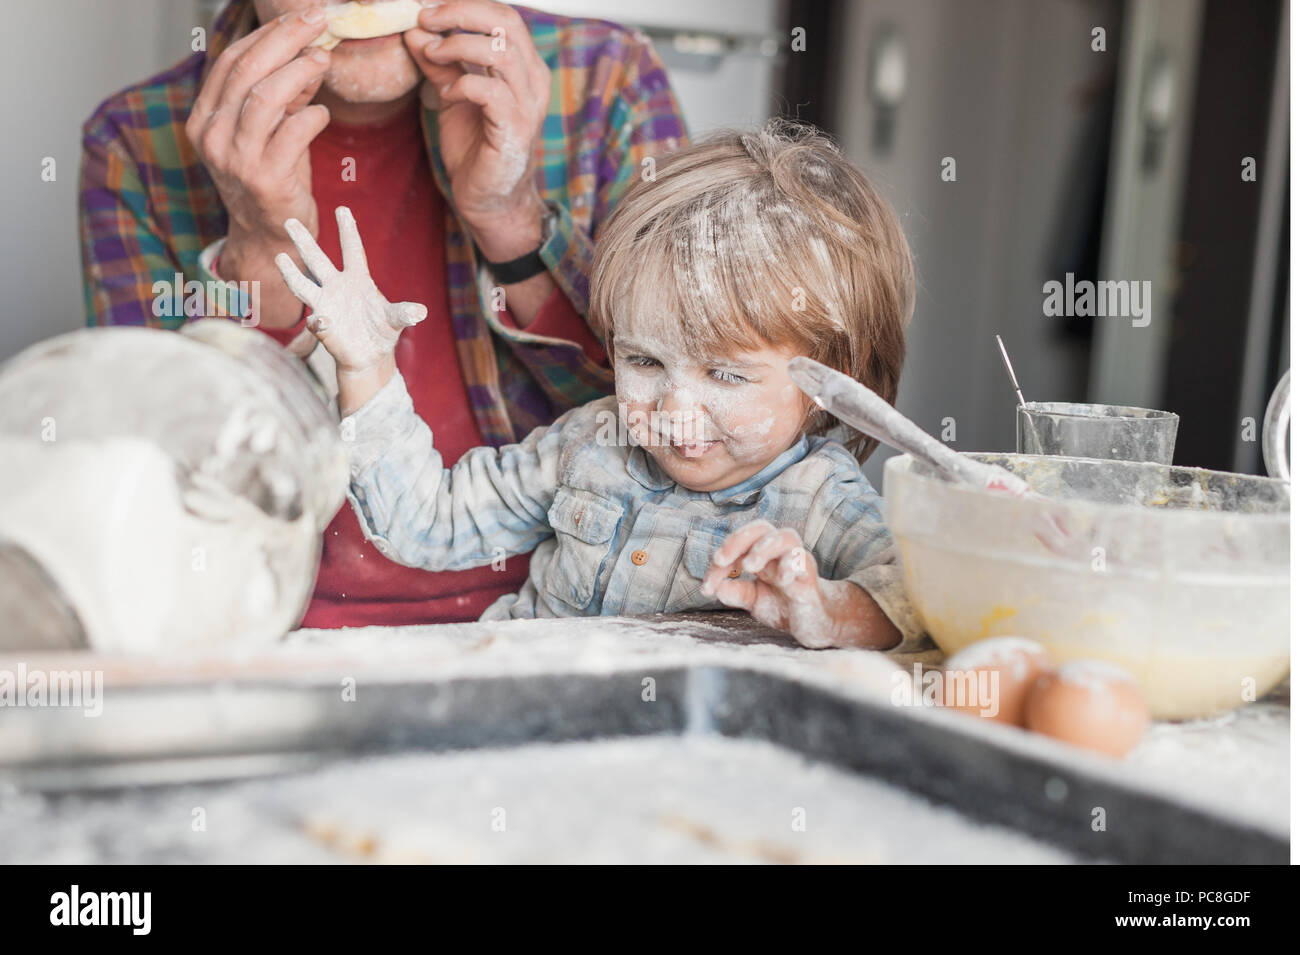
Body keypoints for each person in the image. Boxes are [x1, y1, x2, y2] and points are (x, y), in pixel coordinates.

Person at [79, 0, 688, 628]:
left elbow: (686, 428)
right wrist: (263, 246)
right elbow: (156, 492)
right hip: (274, 628)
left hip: (565, 617)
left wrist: (512, 219)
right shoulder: (135, 139)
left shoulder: (609, 81)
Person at [273, 123, 925, 650]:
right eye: (643, 361)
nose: (672, 410)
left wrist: (828, 609)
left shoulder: (820, 501)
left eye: (724, 374)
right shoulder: (591, 443)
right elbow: (425, 524)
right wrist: (366, 369)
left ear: (828, 384)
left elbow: (914, 600)